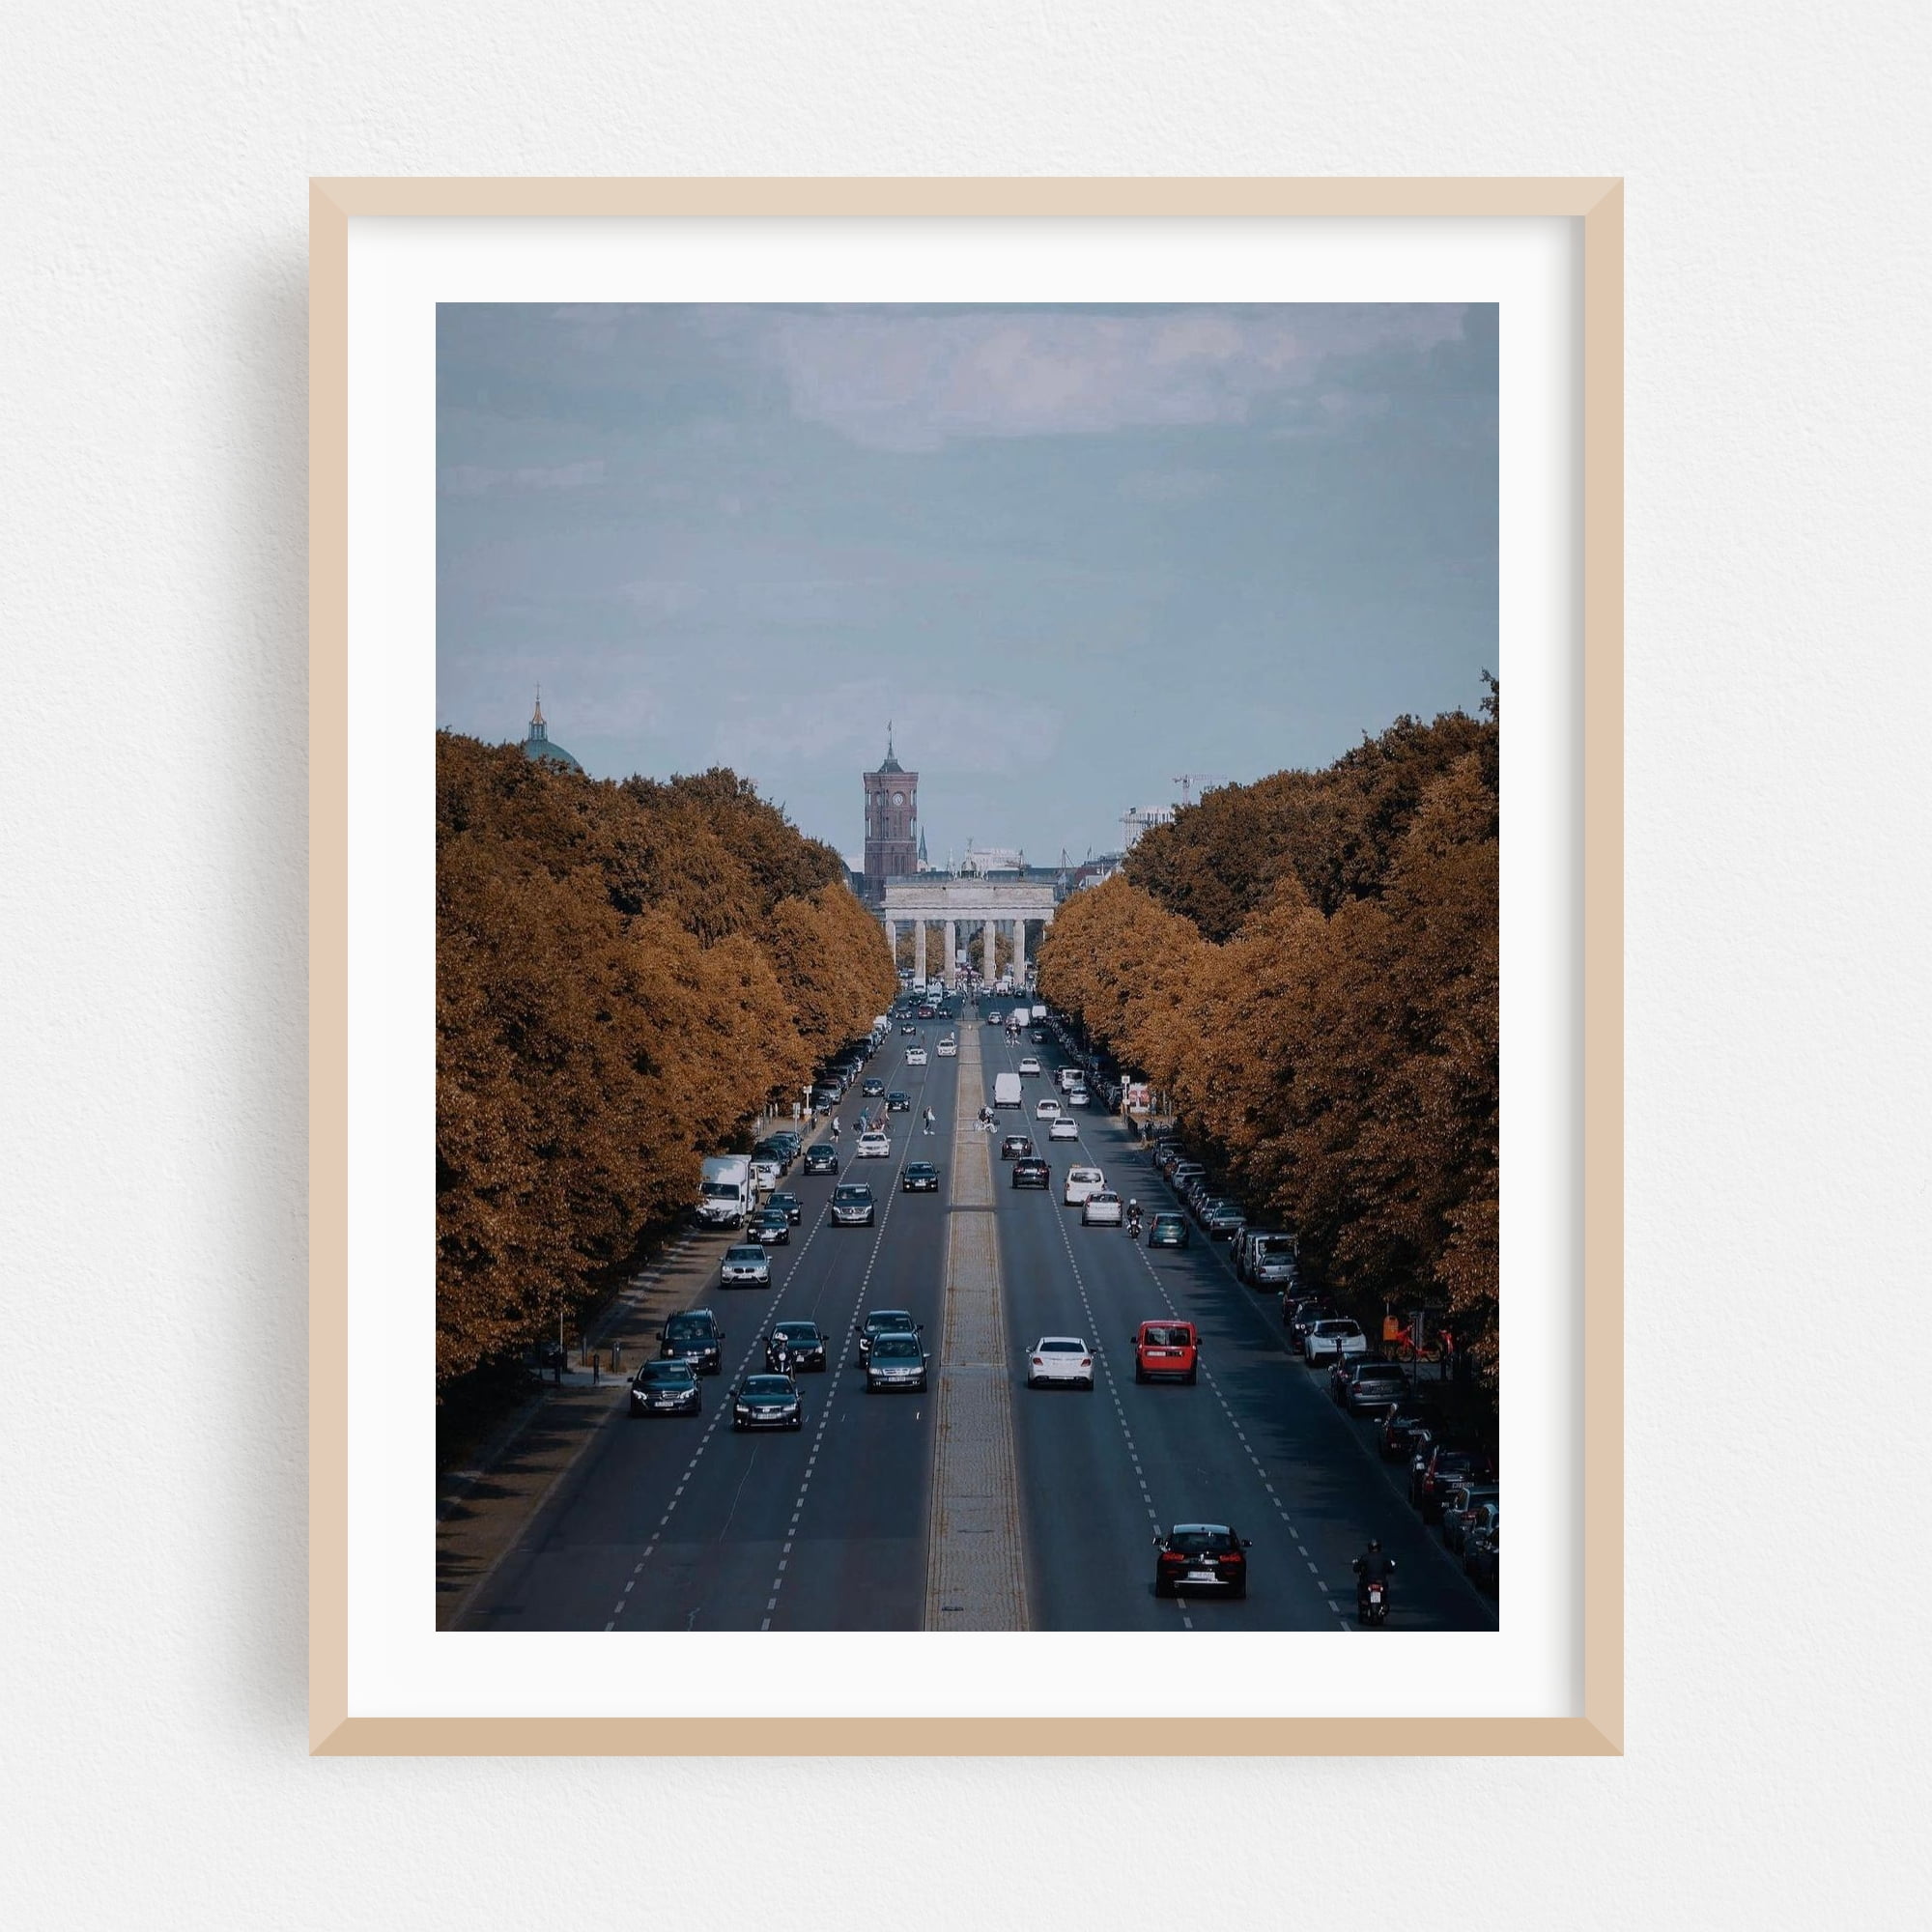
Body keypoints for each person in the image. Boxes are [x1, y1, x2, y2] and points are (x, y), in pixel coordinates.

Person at [1352, 1539, 1395, 1615]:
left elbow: (1356, 1568)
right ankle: (1383, 1603)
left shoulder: (1365, 1557)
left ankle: (1367, 1602)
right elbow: (1391, 1569)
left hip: (1368, 1581)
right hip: (1380, 1582)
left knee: (1361, 1587)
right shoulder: (1384, 1557)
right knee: (1385, 1593)